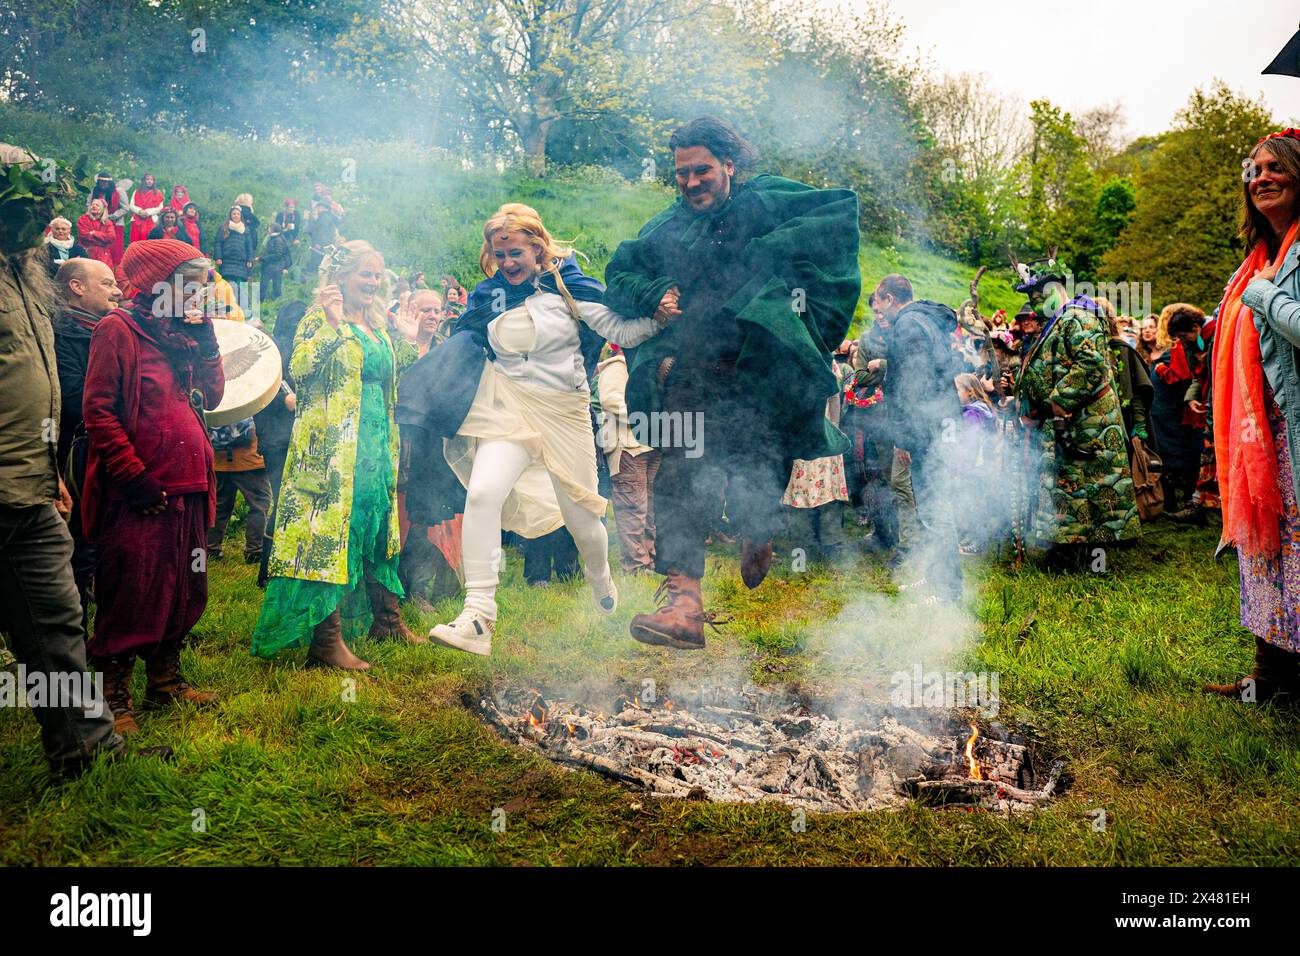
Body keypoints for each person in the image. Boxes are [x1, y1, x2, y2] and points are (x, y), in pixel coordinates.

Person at [605, 116, 860, 649]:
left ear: (729, 164)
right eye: (681, 175)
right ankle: (684, 604)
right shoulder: (666, 228)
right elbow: (619, 273)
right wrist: (654, 292)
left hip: (754, 373)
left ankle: (757, 525)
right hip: (690, 375)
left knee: (754, 464)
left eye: (702, 171)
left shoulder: (762, 200)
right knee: (679, 473)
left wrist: (771, 254)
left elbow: (839, 212)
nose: (692, 183)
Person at [423, 204, 669, 655]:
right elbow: (465, 345)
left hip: (566, 413)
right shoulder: (489, 297)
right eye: (500, 256)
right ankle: (478, 615)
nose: (508, 264)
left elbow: (619, 329)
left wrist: (659, 321)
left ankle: (600, 578)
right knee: (482, 494)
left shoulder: (567, 286)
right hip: (509, 410)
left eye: (515, 253)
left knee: (583, 522)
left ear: (538, 248)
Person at [0, 151, 134, 777]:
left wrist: (51, 463)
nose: (43, 209)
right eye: (25, 195)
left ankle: (86, 747)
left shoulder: (30, 271)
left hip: (27, 481)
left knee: (57, 619)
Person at [251, 240, 422, 671]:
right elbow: (300, 371)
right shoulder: (318, 318)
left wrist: (406, 341)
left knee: (375, 523)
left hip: (375, 446)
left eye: (378, 274)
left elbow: (387, 377)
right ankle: (326, 641)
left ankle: (387, 619)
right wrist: (330, 324)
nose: (374, 281)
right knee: (331, 535)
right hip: (331, 450)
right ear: (341, 277)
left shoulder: (376, 322)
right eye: (366, 273)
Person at [81, 238, 225, 734]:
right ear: (157, 285)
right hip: (142, 489)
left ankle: (164, 681)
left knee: (186, 586)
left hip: (190, 482)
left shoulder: (186, 333)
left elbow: (214, 395)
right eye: (189, 286)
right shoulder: (116, 329)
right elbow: (98, 412)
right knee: (133, 589)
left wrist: (206, 342)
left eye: (200, 288)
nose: (196, 296)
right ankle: (112, 698)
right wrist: (131, 475)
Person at [1204, 128, 1300, 702]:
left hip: (1291, 429)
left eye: (1275, 167)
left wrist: (1264, 296)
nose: (1261, 176)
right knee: (1271, 551)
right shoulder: (1260, 257)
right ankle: (1274, 676)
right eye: (1254, 169)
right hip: (1261, 435)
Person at [1010, 264, 1141, 571]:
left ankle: (1093, 562)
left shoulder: (1079, 315)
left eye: (1036, 295)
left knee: (1094, 490)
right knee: (1071, 489)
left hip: (1086, 422)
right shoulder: (1060, 319)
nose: (1033, 302)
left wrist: (1058, 399)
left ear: (1054, 290)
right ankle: (1069, 551)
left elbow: (1090, 364)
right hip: (1070, 421)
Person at [53, 258, 123, 621]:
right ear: (77, 287)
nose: (118, 291)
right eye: (108, 284)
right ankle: (75, 640)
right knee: (79, 547)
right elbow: (74, 399)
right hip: (74, 455)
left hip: (100, 451)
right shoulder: (62, 332)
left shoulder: (104, 329)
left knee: (96, 545)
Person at [884, 297, 964, 600]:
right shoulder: (928, 320)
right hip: (940, 423)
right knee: (932, 507)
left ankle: (946, 589)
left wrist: (903, 435)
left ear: (889, 298)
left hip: (925, 429)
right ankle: (936, 577)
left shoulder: (908, 323)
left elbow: (910, 384)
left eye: (878, 305)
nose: (879, 313)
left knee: (935, 508)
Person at [254, 300, 306, 589]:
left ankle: (279, 569)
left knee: (287, 502)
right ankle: (268, 571)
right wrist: (283, 399)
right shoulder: (273, 350)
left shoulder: (290, 348)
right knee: (285, 502)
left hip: (284, 438)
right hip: (279, 439)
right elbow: (263, 387)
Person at [596, 343, 660, 574]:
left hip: (650, 445)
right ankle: (635, 566)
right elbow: (611, 401)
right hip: (627, 447)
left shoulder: (646, 363)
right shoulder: (616, 366)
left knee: (650, 509)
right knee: (633, 508)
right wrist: (649, 417)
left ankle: (649, 559)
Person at [1149, 303, 1208, 517]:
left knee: (1188, 452)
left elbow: (1181, 374)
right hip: (1184, 408)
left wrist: (1161, 369)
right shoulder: (1185, 345)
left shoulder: (1184, 347)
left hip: (1182, 411)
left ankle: (1192, 501)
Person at [213, 205, 255, 304]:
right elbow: (218, 243)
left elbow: (249, 246)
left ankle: (241, 308)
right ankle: (225, 305)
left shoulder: (245, 230)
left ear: (241, 216)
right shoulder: (224, 227)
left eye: (238, 214)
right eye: (234, 214)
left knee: (240, 285)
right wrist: (218, 257)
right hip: (227, 261)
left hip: (241, 262)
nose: (236, 216)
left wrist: (250, 259)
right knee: (226, 285)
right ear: (230, 215)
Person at [302, 199, 342, 282]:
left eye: (318, 207)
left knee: (315, 262)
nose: (318, 209)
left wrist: (319, 244)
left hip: (319, 245)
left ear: (323, 208)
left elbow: (322, 233)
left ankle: (307, 281)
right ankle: (311, 281)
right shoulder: (327, 217)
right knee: (318, 262)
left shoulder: (324, 218)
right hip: (324, 245)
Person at [77, 198, 118, 268]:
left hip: (102, 254)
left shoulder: (107, 222)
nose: (94, 206)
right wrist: (103, 241)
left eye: (97, 205)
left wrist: (95, 233)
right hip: (86, 252)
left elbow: (112, 237)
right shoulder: (83, 219)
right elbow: (84, 236)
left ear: (102, 209)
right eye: (92, 204)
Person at [127, 174, 165, 245]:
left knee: (149, 240)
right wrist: (140, 211)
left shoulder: (158, 193)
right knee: (135, 241)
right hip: (137, 219)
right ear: (144, 181)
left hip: (151, 219)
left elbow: (160, 208)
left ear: (154, 181)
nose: (149, 181)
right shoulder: (137, 192)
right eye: (147, 179)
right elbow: (131, 205)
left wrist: (147, 212)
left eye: (151, 180)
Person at [259, 222, 292, 300]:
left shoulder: (277, 240)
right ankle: (275, 300)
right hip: (275, 266)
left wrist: (263, 258)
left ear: (272, 229)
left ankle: (261, 300)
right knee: (276, 284)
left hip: (273, 266)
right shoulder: (275, 238)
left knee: (265, 284)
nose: (268, 229)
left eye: (269, 227)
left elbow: (278, 255)